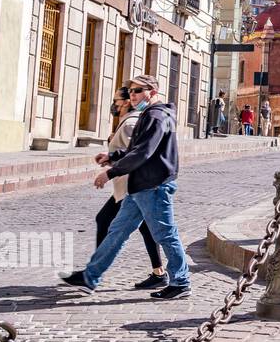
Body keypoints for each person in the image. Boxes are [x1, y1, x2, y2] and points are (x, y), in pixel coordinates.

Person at [61, 75, 191, 299]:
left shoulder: (156, 117)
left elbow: (143, 152)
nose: (133, 95)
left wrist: (111, 172)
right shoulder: (150, 115)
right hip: (140, 186)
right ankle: (90, 276)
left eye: (139, 91)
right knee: (116, 232)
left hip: (154, 186)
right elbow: (136, 148)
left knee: (165, 234)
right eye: (131, 91)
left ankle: (180, 282)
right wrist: (112, 156)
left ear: (152, 92)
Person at [91, 87, 167, 289]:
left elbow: (138, 152)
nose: (113, 105)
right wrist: (111, 158)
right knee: (146, 228)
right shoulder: (129, 121)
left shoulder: (131, 123)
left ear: (125, 103)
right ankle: (159, 272)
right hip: (129, 184)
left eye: (116, 100)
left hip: (131, 185)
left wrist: (112, 167)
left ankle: (95, 271)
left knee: (106, 220)